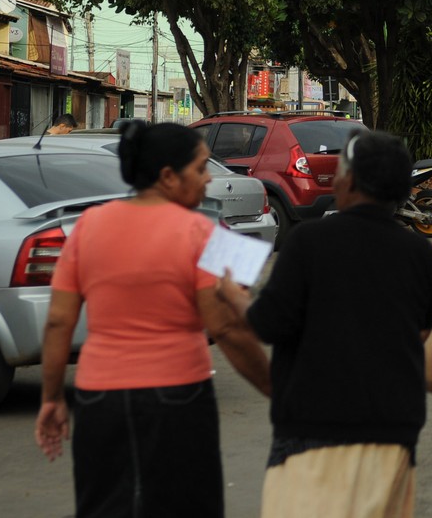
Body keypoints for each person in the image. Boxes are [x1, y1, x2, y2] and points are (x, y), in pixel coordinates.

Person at [35, 121, 271, 517]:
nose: (208, 177)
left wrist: (51, 398)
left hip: (98, 398)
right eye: (199, 168)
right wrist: (272, 388)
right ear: (167, 176)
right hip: (178, 394)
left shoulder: (88, 226)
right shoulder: (200, 231)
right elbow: (227, 327)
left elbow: (58, 322)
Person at [217, 130, 432, 518]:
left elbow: (269, 325)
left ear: (351, 181)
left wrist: (237, 297)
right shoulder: (420, 254)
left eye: (340, 170)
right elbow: (424, 330)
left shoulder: (309, 241)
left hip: (314, 427)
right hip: (393, 430)